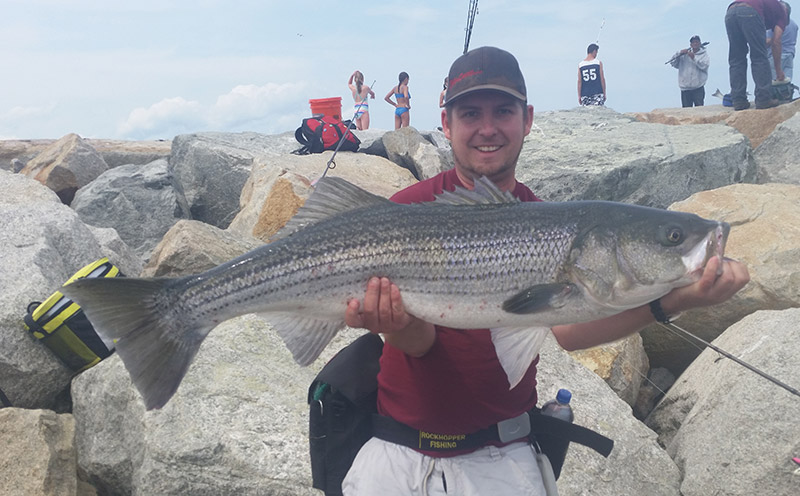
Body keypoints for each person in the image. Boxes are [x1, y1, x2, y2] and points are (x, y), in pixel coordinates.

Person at [341, 46, 750, 495]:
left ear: (527, 119)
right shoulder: (405, 211)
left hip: (504, 453)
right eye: (470, 113)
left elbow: (565, 331)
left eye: (503, 111)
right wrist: (396, 325)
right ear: (446, 124)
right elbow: (417, 346)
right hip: (397, 452)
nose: (487, 128)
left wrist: (677, 300)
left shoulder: (547, 218)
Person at [725, 0, 789, 110]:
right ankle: (764, 99)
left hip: (731, 12)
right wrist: (779, 70)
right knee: (759, 57)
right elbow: (776, 41)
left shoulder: (772, 6)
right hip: (750, 12)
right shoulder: (783, 14)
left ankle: (739, 101)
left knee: (737, 58)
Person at [670, 35, 710, 107]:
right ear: (690, 44)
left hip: (698, 87)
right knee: (686, 110)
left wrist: (694, 58)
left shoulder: (704, 55)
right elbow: (673, 63)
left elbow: (704, 66)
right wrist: (679, 53)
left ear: (700, 43)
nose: (695, 44)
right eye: (693, 42)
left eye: (697, 42)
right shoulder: (684, 55)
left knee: (699, 109)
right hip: (685, 88)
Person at [766, 1, 798, 81]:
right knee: (786, 82)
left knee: (775, 82)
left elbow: (768, 42)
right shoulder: (794, 25)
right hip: (789, 56)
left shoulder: (773, 24)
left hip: (774, 57)